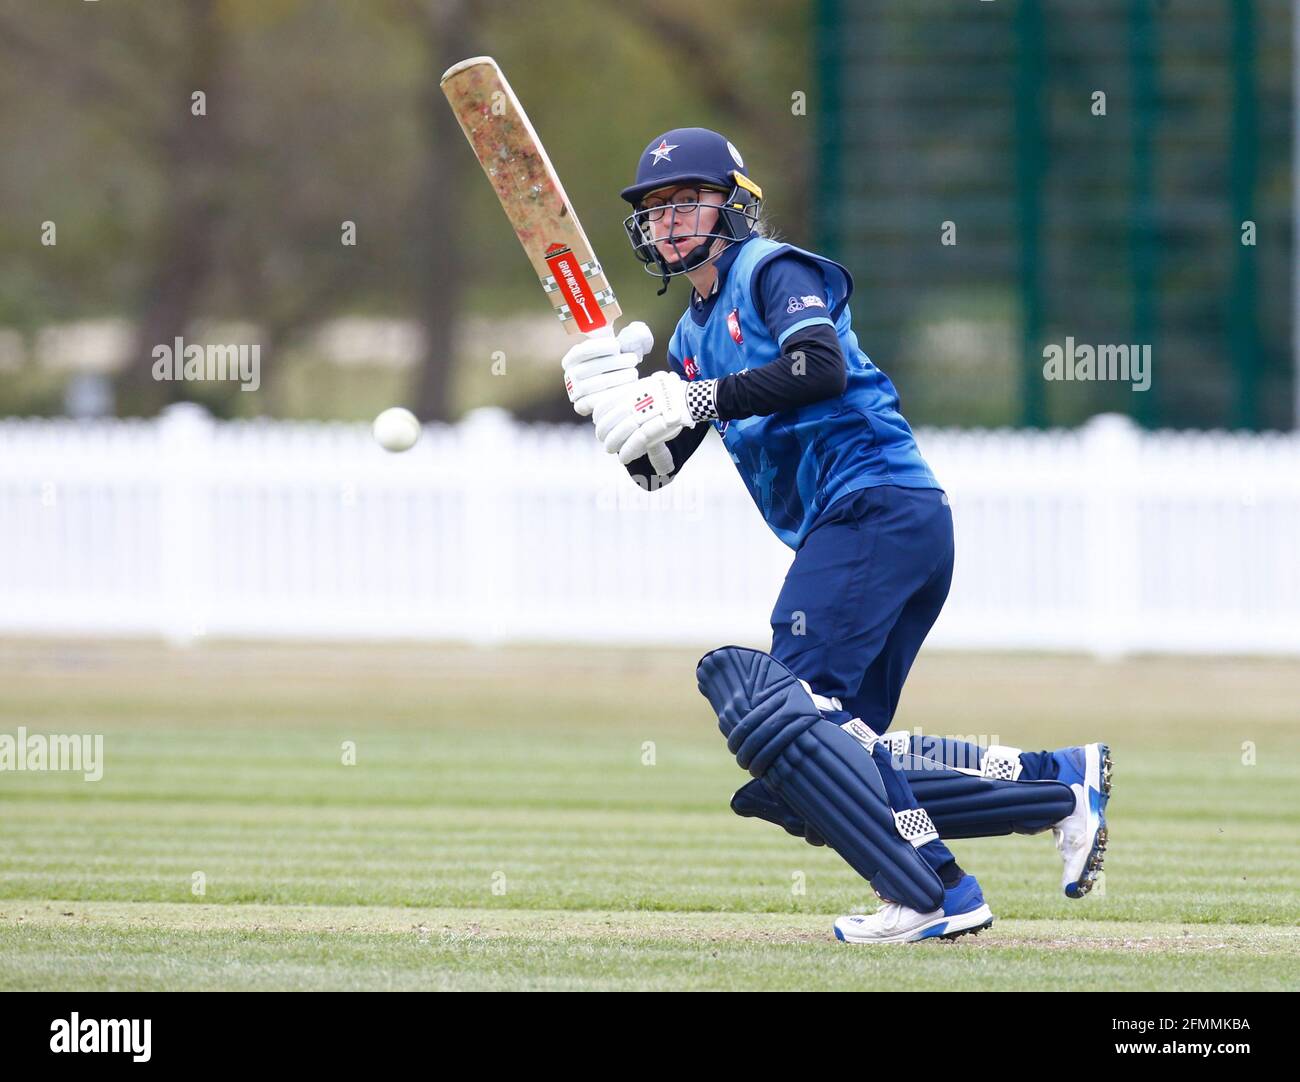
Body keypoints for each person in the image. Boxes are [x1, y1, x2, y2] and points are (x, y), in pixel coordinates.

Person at [560, 127, 1111, 943]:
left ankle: (936, 893)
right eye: (656, 209)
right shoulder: (687, 338)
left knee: (780, 717)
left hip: (877, 507)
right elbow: (656, 472)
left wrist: (691, 399)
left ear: (733, 205)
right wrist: (614, 403)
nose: (670, 221)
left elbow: (820, 369)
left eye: (687, 202)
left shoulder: (772, 269)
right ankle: (1059, 787)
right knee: (813, 774)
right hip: (881, 529)